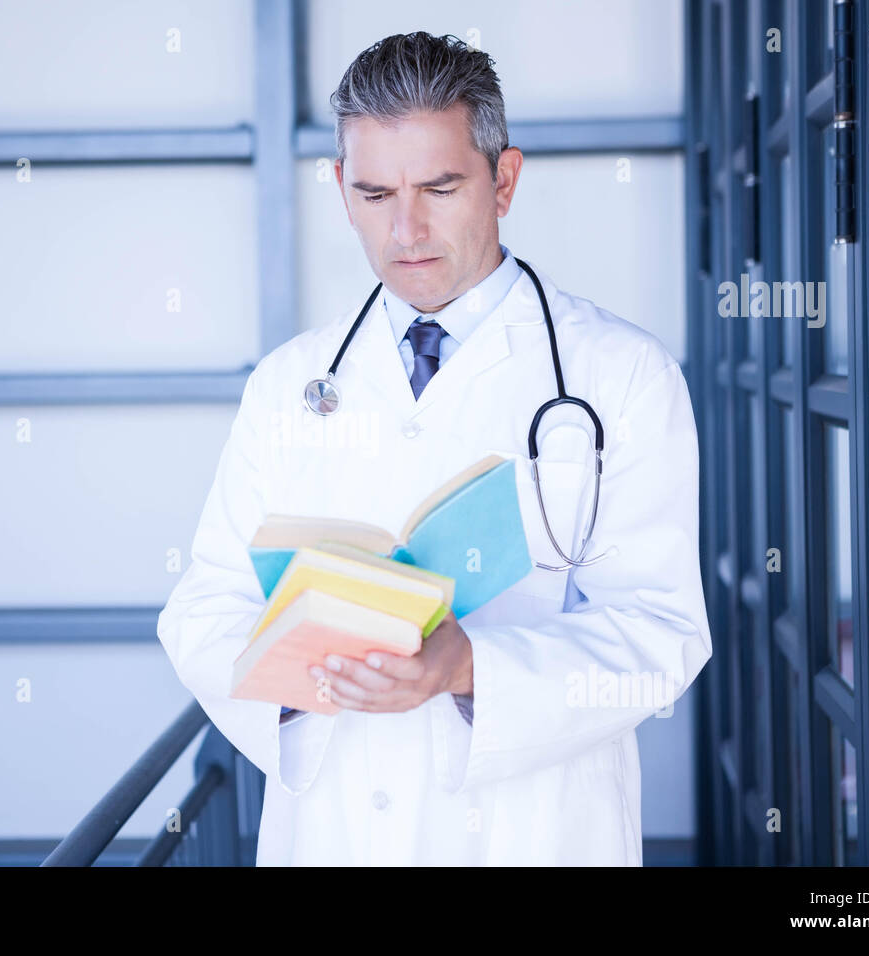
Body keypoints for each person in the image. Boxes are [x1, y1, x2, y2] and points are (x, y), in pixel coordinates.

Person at [156, 31, 711, 865]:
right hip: (337, 829)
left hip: (538, 834)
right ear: (340, 188)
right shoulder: (289, 383)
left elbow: (662, 634)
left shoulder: (621, 375)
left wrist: (467, 665)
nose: (405, 229)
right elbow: (203, 609)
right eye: (374, 193)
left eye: (440, 187)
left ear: (505, 179)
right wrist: (315, 669)